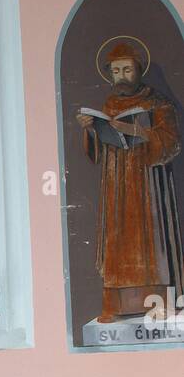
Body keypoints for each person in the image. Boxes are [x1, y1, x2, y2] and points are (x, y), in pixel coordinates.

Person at [77, 41, 183, 323]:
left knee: (152, 241)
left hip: (149, 184)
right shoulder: (109, 105)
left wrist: (135, 129)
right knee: (117, 242)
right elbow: (95, 153)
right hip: (116, 187)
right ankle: (116, 305)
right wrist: (90, 130)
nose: (121, 76)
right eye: (116, 71)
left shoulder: (158, 103)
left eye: (126, 69)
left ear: (139, 70)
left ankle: (159, 302)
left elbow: (170, 142)